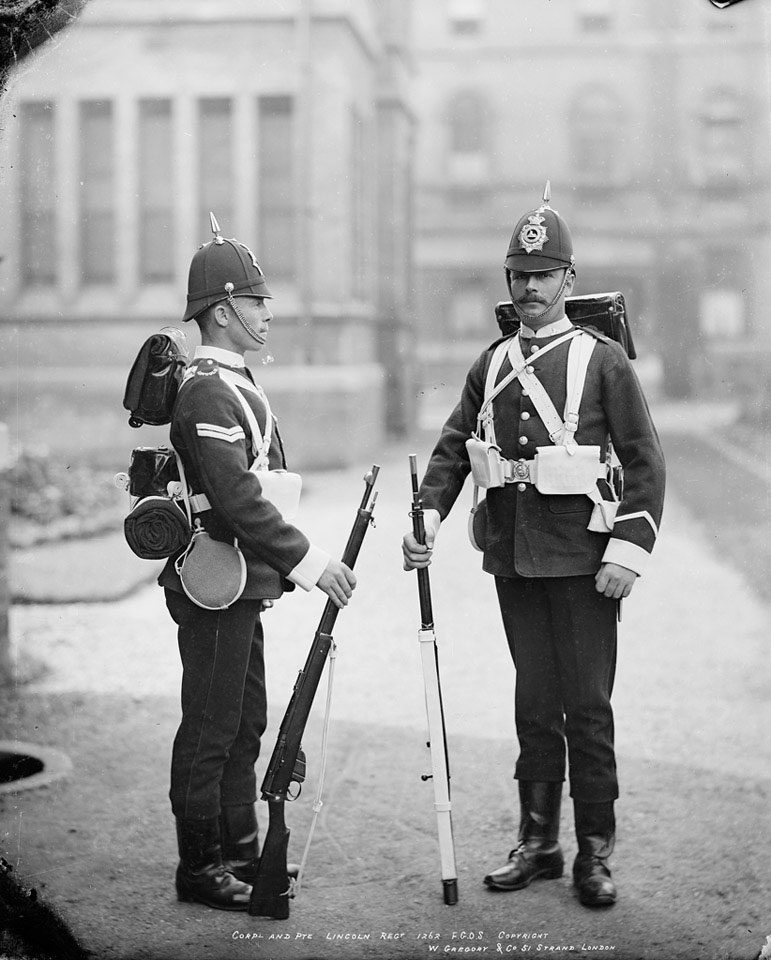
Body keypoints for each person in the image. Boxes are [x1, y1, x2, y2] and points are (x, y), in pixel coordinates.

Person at [402, 186, 665, 908]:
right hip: (514, 557)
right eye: (518, 274)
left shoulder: (602, 361)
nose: (528, 287)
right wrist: (425, 518)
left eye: (542, 274)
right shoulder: (490, 362)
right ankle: (539, 841)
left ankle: (593, 852)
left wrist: (626, 552)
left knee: (586, 707)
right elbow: (454, 447)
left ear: (567, 280)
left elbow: (643, 462)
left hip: (583, 563)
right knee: (532, 704)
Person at [158, 217, 357, 911]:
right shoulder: (209, 387)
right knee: (211, 726)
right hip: (216, 578)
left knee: (242, 721)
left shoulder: (234, 382)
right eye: (256, 301)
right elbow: (240, 500)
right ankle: (201, 867)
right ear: (222, 311)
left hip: (242, 581)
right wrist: (311, 561)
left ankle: (241, 851)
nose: (268, 311)